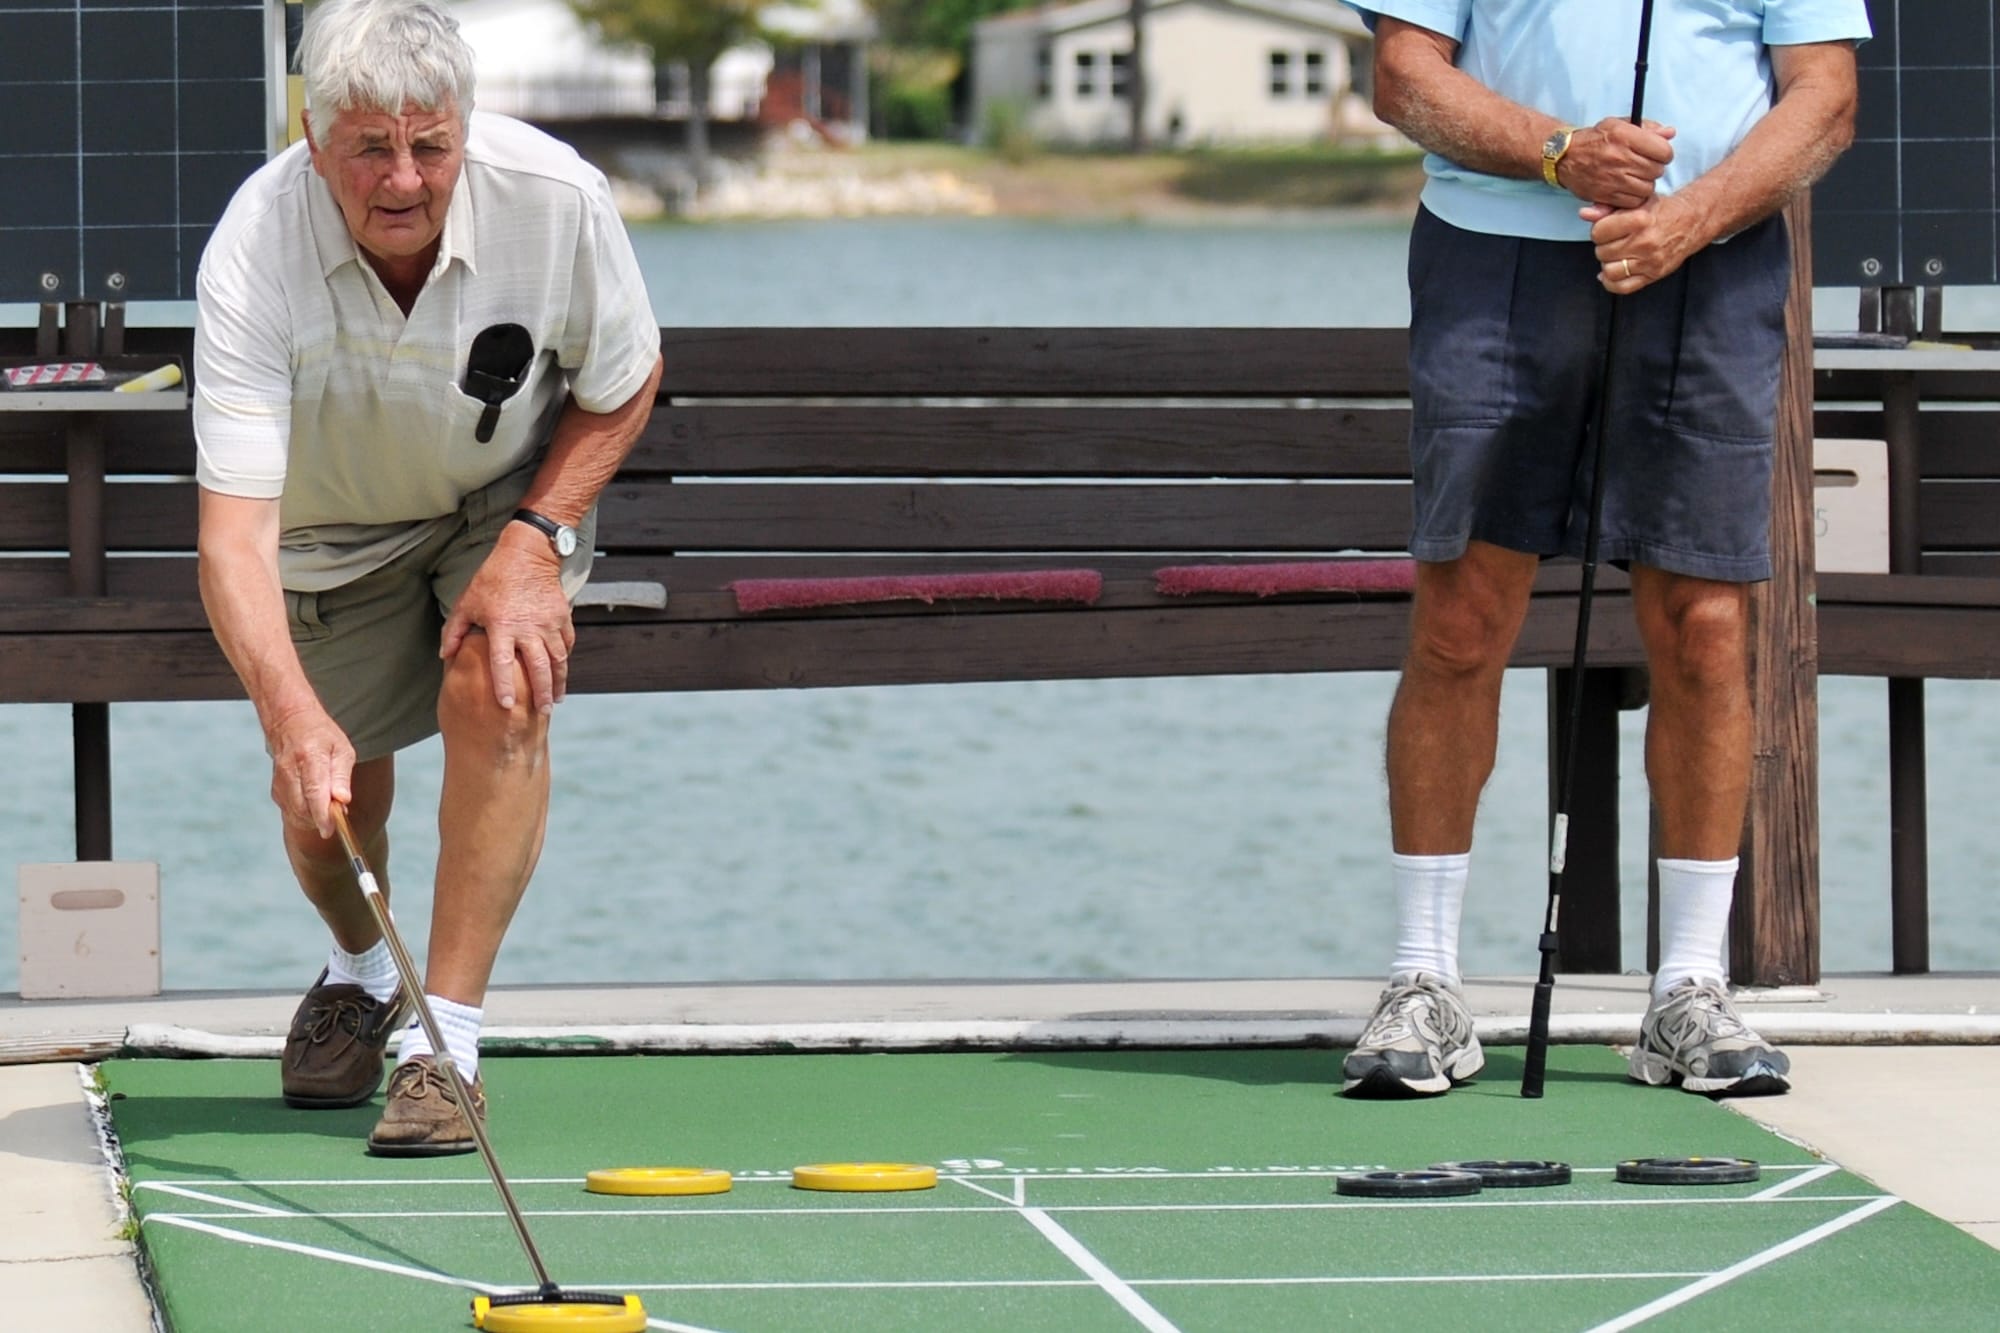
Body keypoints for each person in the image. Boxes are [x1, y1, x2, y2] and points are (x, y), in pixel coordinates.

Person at [1338, 1, 1870, 1098]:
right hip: (1493, 261)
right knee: (1460, 618)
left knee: (1705, 625)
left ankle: (1686, 989)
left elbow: (1822, 96)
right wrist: (1556, 152)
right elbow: (1402, 75)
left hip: (1708, 265)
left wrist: (1693, 217)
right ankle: (1422, 980)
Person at [193, 0, 663, 1152]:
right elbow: (233, 538)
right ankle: (364, 969)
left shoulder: (558, 200)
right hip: (326, 532)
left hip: (501, 501)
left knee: (501, 681)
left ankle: (442, 1046)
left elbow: (624, 379)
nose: (404, 179)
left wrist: (536, 541)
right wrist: (288, 716)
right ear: (314, 137)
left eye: (431, 144)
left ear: (464, 126)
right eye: (370, 148)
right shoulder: (254, 244)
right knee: (324, 802)